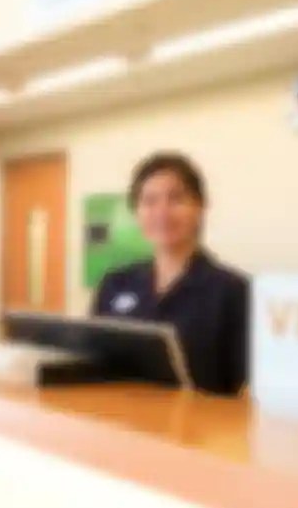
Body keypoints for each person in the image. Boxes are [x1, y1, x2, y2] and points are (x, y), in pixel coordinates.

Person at [93, 152, 249, 396]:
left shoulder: (233, 291)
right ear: (137, 212)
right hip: (119, 425)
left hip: (197, 431)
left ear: (200, 207)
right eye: (150, 201)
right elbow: (92, 363)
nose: (162, 212)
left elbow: (243, 388)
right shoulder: (115, 284)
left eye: (176, 199)